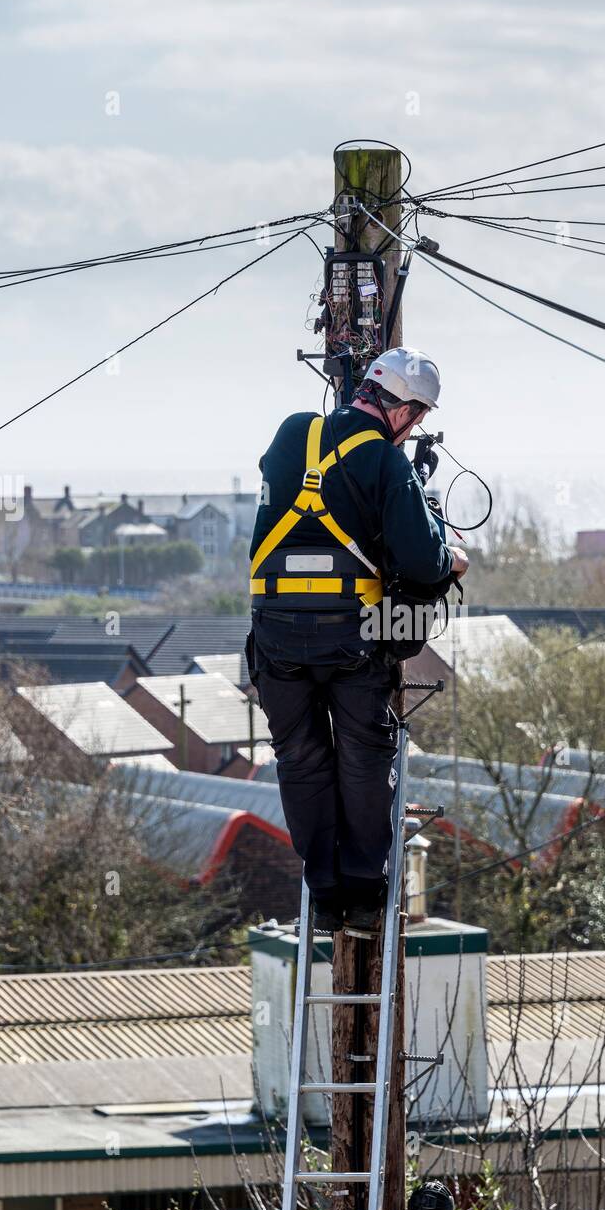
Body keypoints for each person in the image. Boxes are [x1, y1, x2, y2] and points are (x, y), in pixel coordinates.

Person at [247, 347, 468, 931]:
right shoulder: (388, 464)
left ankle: (322, 896)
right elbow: (421, 566)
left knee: (300, 759)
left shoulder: (293, 432)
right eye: (416, 417)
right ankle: (365, 897)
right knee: (363, 760)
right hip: (352, 637)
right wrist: (452, 557)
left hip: (276, 635)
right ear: (404, 412)